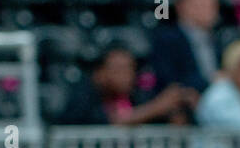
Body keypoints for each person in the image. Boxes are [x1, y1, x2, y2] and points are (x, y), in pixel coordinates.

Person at [150, 0, 240, 120]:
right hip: (187, 115)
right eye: (199, 3)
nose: (207, 9)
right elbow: (169, 83)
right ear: (181, 6)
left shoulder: (223, 40)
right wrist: (212, 81)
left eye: (211, 3)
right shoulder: (166, 39)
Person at [57, 46, 194, 126]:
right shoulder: (83, 96)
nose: (128, 75)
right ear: (100, 74)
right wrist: (158, 106)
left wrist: (176, 108)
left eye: (131, 69)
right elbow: (109, 123)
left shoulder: (136, 95)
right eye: (119, 69)